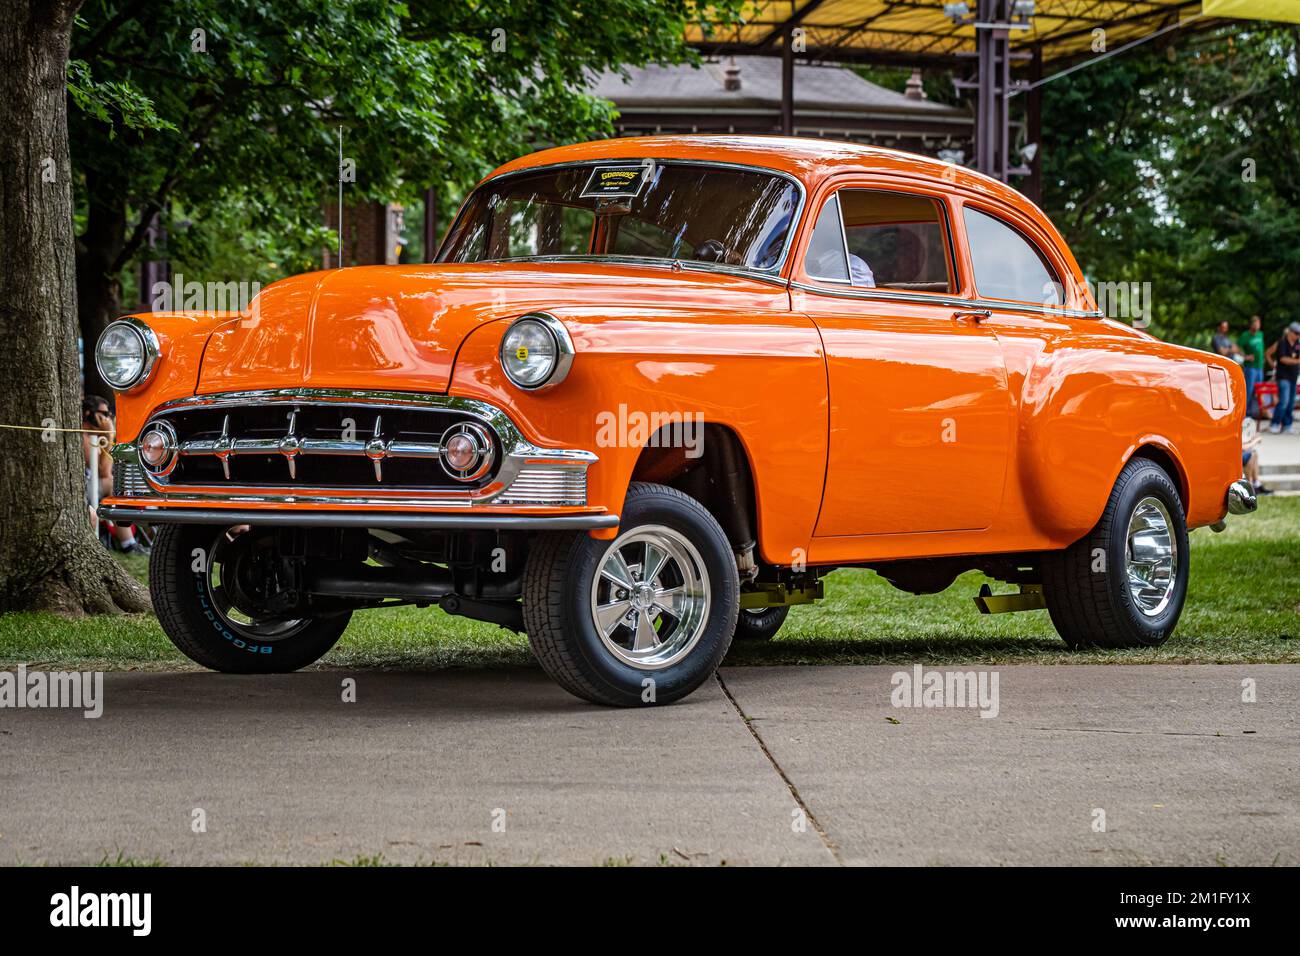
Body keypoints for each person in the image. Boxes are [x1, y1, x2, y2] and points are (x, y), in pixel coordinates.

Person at [82, 396, 148, 554]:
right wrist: (110, 435)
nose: (108, 418)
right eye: (103, 414)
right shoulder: (82, 434)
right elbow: (103, 471)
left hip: (92, 484)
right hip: (83, 487)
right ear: (88, 413)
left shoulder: (96, 436)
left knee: (121, 482)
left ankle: (133, 540)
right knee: (114, 483)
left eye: (109, 414)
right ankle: (128, 544)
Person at [1264, 321, 1300, 435]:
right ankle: (1274, 424)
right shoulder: (1282, 343)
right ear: (1289, 332)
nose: (1298, 335)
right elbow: (1283, 359)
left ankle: (1287, 425)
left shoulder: (1298, 344)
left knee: (1290, 402)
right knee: (1283, 401)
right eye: (1296, 333)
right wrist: (1273, 365)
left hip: (1293, 376)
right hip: (1283, 376)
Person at [1238, 315, 1265, 419]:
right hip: (1251, 368)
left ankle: (1253, 413)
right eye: (1255, 323)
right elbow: (1236, 347)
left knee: (1258, 392)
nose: (1257, 325)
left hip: (1259, 367)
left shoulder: (1260, 334)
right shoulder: (1246, 335)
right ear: (1251, 324)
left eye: (1259, 323)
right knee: (1248, 391)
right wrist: (1245, 356)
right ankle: (1243, 414)